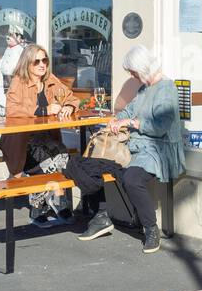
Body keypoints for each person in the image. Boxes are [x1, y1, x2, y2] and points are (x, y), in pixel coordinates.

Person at [67, 45, 185, 254]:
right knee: (85, 163)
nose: (130, 75)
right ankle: (101, 216)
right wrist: (116, 121)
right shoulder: (144, 89)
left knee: (131, 178)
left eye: (132, 71)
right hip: (134, 147)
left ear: (141, 68)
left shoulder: (167, 89)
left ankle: (150, 229)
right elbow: (129, 110)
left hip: (156, 149)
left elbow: (159, 128)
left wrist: (132, 123)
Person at [2, 43, 78, 224]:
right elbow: (11, 109)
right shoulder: (18, 81)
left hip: (47, 137)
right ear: (27, 63)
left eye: (45, 60)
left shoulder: (50, 79)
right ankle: (39, 207)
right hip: (22, 141)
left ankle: (56, 200)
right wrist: (43, 110)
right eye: (37, 61)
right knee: (45, 160)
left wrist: (68, 106)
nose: (42, 64)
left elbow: (71, 97)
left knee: (62, 155)